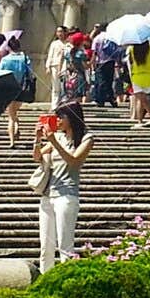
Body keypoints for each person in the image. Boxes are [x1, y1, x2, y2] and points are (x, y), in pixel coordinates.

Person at [33, 102, 91, 272]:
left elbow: (74, 161)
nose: (57, 121)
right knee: (46, 247)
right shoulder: (58, 136)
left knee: (65, 246)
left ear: (71, 118)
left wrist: (53, 141)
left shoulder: (86, 138)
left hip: (67, 195)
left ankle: (66, 284)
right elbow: (37, 157)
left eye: (61, 117)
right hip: (48, 194)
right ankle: (45, 284)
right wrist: (38, 139)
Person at [0, 35, 36, 143]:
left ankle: (12, 140)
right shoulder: (25, 58)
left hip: (8, 89)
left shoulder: (5, 60)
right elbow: (30, 73)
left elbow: (0, 74)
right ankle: (17, 127)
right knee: (14, 112)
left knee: (11, 115)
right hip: (22, 88)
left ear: (9, 47)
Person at [127, 39, 150, 128]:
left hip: (136, 75)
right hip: (148, 75)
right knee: (141, 98)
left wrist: (130, 75)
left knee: (141, 98)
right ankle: (140, 120)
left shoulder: (131, 49)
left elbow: (129, 64)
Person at [44, 26, 69, 106]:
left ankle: (64, 103)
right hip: (55, 65)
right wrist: (48, 66)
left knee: (65, 86)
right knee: (56, 86)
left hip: (66, 66)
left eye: (61, 31)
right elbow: (50, 55)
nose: (59, 33)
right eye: (58, 32)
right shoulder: (54, 44)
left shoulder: (68, 43)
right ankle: (54, 105)